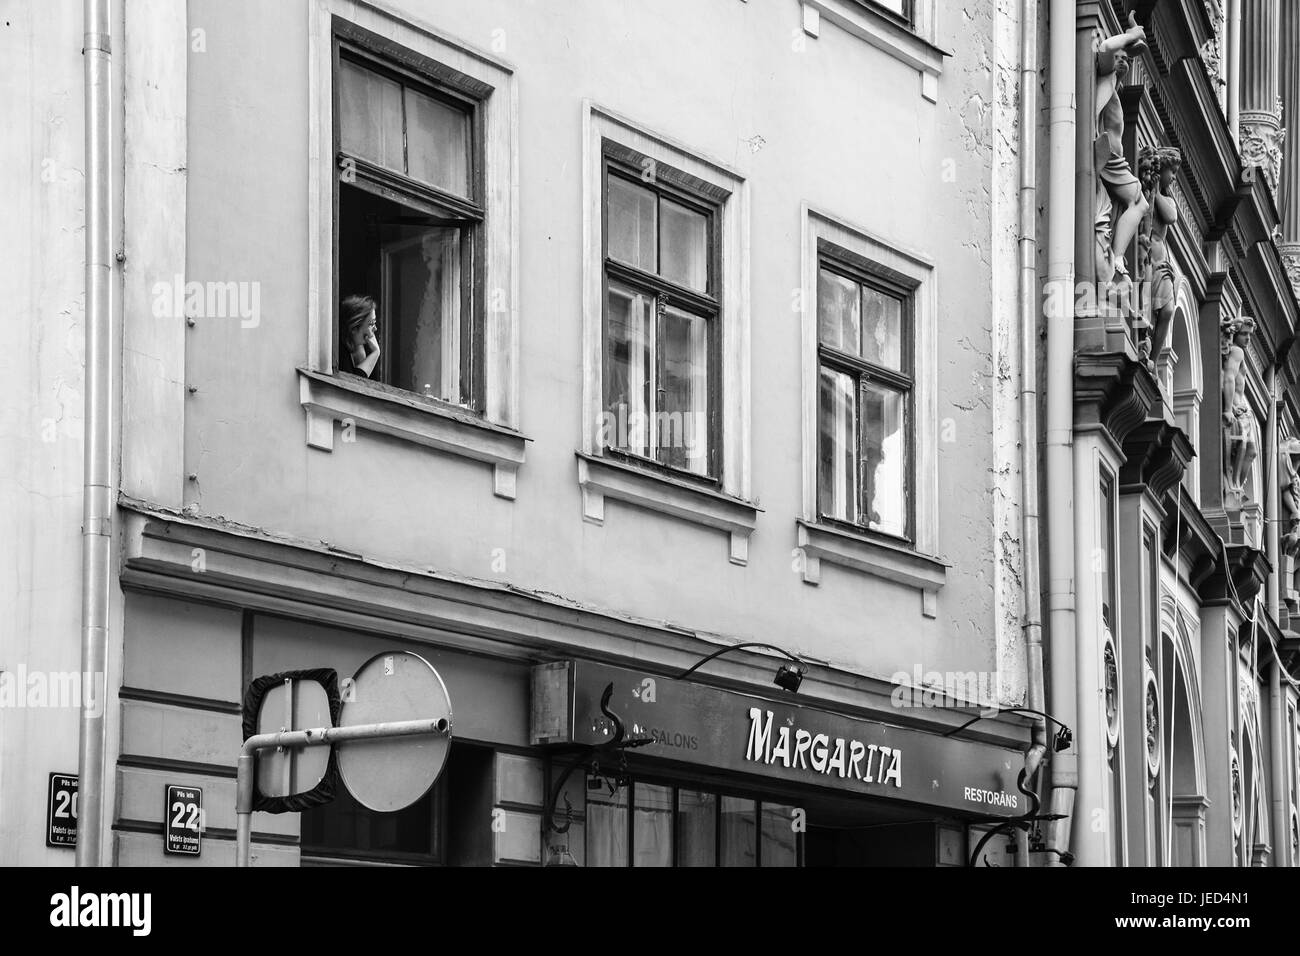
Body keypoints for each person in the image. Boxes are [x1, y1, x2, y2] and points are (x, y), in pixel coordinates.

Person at [340, 294, 380, 378]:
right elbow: (353, 385)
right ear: (354, 328)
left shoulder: (365, 349)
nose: (375, 329)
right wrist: (376, 353)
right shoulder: (339, 352)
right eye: (371, 324)